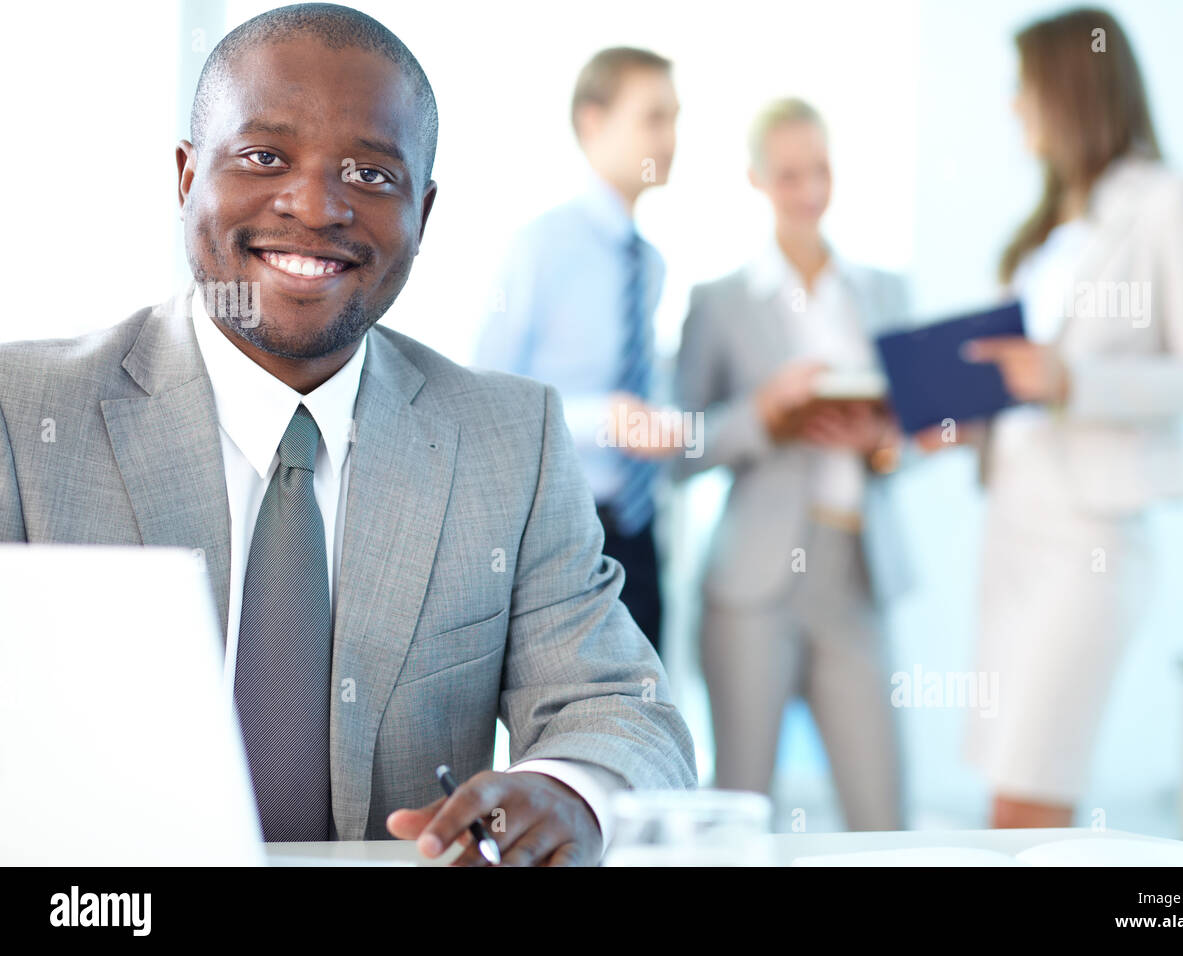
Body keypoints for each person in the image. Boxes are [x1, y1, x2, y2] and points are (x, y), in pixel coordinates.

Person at [0, 3, 696, 866]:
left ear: (424, 214)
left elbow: (625, 709)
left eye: (370, 175)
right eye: (264, 157)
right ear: (186, 177)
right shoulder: (24, 418)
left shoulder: (510, 443)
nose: (316, 205)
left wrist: (562, 791)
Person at [955, 7, 1183, 828]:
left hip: (1092, 538)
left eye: (1025, 88)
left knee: (1031, 784)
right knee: (1003, 774)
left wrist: (1071, 376)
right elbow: (1025, 393)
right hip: (1014, 522)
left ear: (1072, 90)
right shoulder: (1054, 232)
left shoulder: (1170, 202)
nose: (1013, 107)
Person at [672, 98, 912, 830]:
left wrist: (882, 442)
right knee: (742, 805)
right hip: (753, 581)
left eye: (822, 171)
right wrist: (766, 414)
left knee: (883, 814)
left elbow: (912, 434)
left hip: (857, 573)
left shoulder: (884, 293)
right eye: (788, 175)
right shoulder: (719, 302)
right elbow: (681, 448)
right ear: (755, 179)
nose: (809, 191)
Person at [473, 47, 681, 652]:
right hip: (560, 539)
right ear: (593, 122)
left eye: (675, 118)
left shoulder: (652, 265)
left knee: (644, 728)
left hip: (637, 535)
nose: (670, 138)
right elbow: (483, 399)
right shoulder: (540, 248)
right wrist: (604, 421)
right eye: (653, 117)